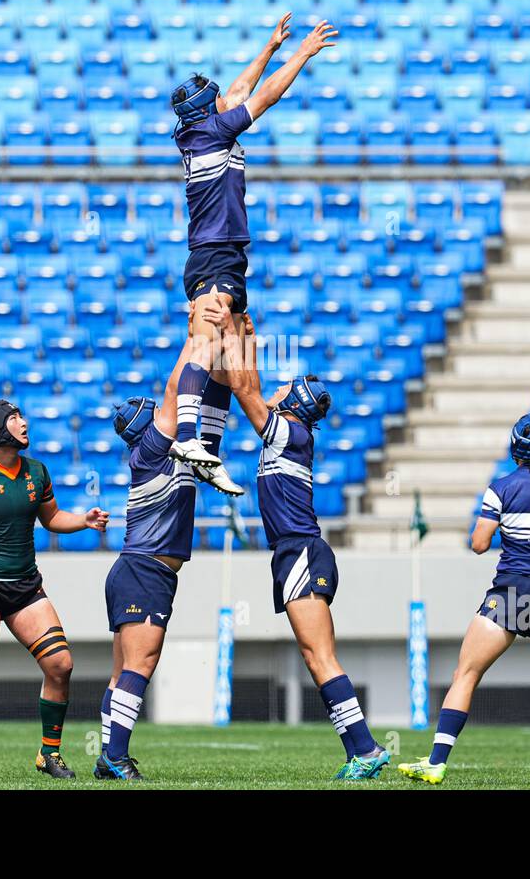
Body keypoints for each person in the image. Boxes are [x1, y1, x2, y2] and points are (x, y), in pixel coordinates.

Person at [166, 14, 338, 497]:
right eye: (218, 100)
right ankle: (186, 437)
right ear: (210, 111)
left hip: (225, 255)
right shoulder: (214, 133)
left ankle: (209, 451)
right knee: (208, 340)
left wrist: (268, 46)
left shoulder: (200, 130)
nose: (228, 99)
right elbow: (262, 97)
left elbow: (238, 92)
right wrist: (301, 54)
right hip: (214, 254)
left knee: (231, 348)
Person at [219, 313, 390, 779]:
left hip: (300, 551)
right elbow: (252, 388)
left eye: (284, 389)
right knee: (317, 656)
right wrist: (247, 340)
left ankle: (366, 750)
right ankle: (362, 749)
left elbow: (244, 392)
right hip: (297, 551)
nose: (276, 389)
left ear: (292, 403)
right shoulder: (292, 432)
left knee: (319, 657)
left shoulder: (288, 432)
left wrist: (231, 337)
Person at [399, 414, 530, 787]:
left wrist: (517, 540)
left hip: (510, 591)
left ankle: (437, 763)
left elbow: (478, 544)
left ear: (515, 445)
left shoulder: (501, 488)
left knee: (466, 674)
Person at [0, 399, 109, 781]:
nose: (24, 423)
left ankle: (49, 755)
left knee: (60, 665)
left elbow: (51, 518)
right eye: (15, 419)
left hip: (26, 587)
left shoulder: (36, 472)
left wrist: (83, 520)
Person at [95, 309, 233, 780]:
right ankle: (114, 756)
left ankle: (108, 754)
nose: (165, 410)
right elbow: (178, 390)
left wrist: (225, 344)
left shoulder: (167, 448)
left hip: (140, 569)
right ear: (147, 424)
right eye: (155, 412)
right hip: (144, 570)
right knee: (143, 661)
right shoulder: (152, 448)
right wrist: (195, 334)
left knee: (123, 669)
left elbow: (211, 393)